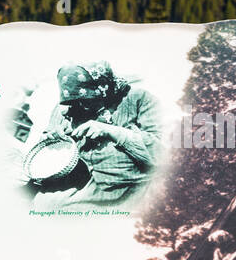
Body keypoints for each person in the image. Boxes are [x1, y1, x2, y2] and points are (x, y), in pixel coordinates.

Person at [31, 61, 162, 208]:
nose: (80, 106)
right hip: (80, 184)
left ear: (104, 87)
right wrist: (50, 142)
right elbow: (48, 152)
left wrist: (111, 131)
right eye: (74, 101)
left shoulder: (139, 99)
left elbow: (161, 155)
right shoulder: (68, 105)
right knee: (43, 204)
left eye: (87, 100)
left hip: (127, 186)